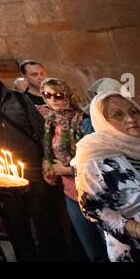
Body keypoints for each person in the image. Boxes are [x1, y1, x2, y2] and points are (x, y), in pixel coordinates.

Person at [0, 58, 66, 260]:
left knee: (47, 224)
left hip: (33, 172)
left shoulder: (19, 99)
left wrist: (47, 160)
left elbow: (41, 132)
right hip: (3, 178)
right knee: (17, 228)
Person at [75, 92, 140, 261]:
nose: (131, 119)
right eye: (118, 114)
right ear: (103, 121)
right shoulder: (94, 156)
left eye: (134, 111)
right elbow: (94, 209)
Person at [40, 78, 107, 261]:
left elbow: (100, 162)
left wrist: (68, 170)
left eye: (59, 96)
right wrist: (49, 167)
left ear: (68, 96)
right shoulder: (51, 122)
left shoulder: (84, 123)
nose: (53, 100)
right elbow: (51, 153)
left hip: (93, 192)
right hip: (71, 194)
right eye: (47, 95)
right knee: (92, 250)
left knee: (110, 245)